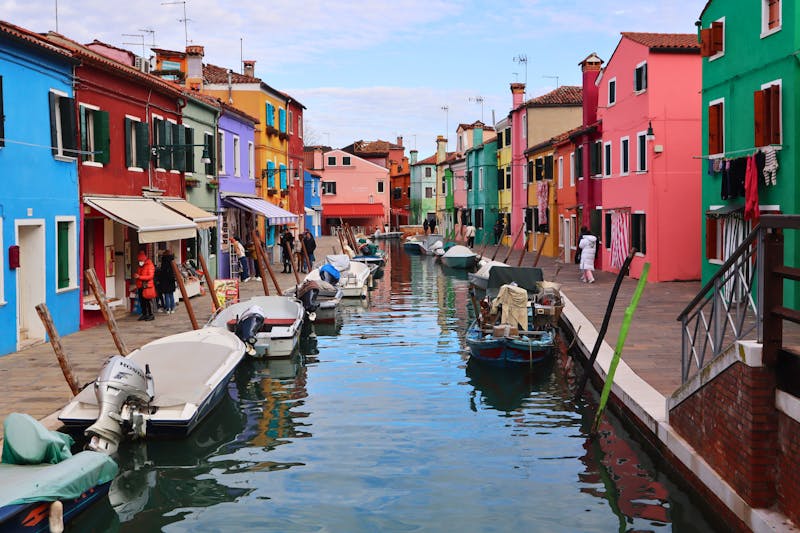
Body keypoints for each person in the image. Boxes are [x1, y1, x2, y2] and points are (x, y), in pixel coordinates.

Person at [134, 250, 155, 321]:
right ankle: (144, 314)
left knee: (148, 301)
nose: (140, 262)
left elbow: (150, 276)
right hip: (141, 286)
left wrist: (139, 277)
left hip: (147, 286)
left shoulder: (150, 265)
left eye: (141, 260)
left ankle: (151, 315)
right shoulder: (140, 266)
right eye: (139, 260)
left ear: (144, 260)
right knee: (142, 301)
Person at [158, 249, 177, 314]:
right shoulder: (172, 261)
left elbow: (162, 272)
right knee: (171, 295)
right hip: (171, 280)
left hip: (165, 280)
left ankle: (168, 308)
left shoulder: (163, 261)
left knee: (166, 295)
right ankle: (172, 308)